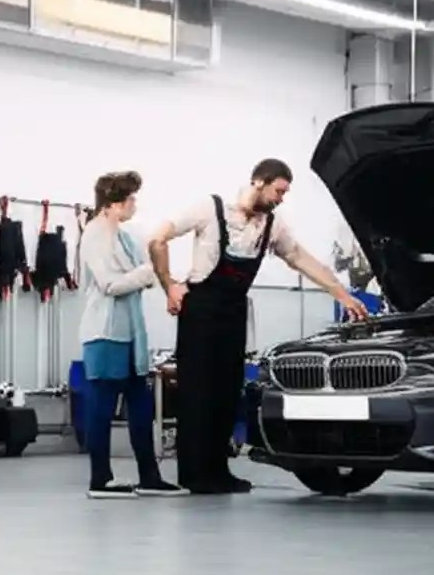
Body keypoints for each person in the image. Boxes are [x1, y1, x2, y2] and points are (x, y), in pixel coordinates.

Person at [148, 158, 369, 494]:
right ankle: (193, 475)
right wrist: (169, 285)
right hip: (201, 312)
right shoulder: (210, 208)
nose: (281, 198)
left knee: (227, 391)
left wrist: (344, 295)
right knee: (197, 393)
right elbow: (157, 239)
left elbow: (301, 259)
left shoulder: (273, 225)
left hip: (235, 313)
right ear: (259, 182)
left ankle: (218, 472)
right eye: (279, 190)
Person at [77, 171, 187, 499]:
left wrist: (146, 273)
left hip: (132, 336)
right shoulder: (95, 234)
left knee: (141, 406)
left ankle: (149, 476)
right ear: (113, 204)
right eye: (130, 198)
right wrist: (149, 271)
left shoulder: (123, 237)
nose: (134, 204)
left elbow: (138, 277)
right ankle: (100, 479)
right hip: (106, 334)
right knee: (101, 407)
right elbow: (111, 284)